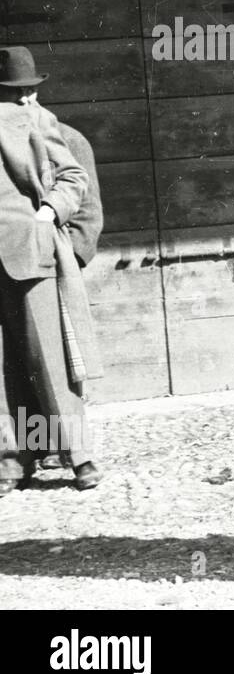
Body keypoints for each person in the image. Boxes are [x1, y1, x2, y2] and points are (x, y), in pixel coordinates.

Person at [0, 46, 99, 494]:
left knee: (49, 362)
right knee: (4, 372)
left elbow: (74, 177)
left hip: (30, 252)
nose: (25, 99)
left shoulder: (39, 121)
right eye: (15, 92)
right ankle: (13, 461)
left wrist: (49, 213)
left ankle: (79, 456)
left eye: (28, 92)